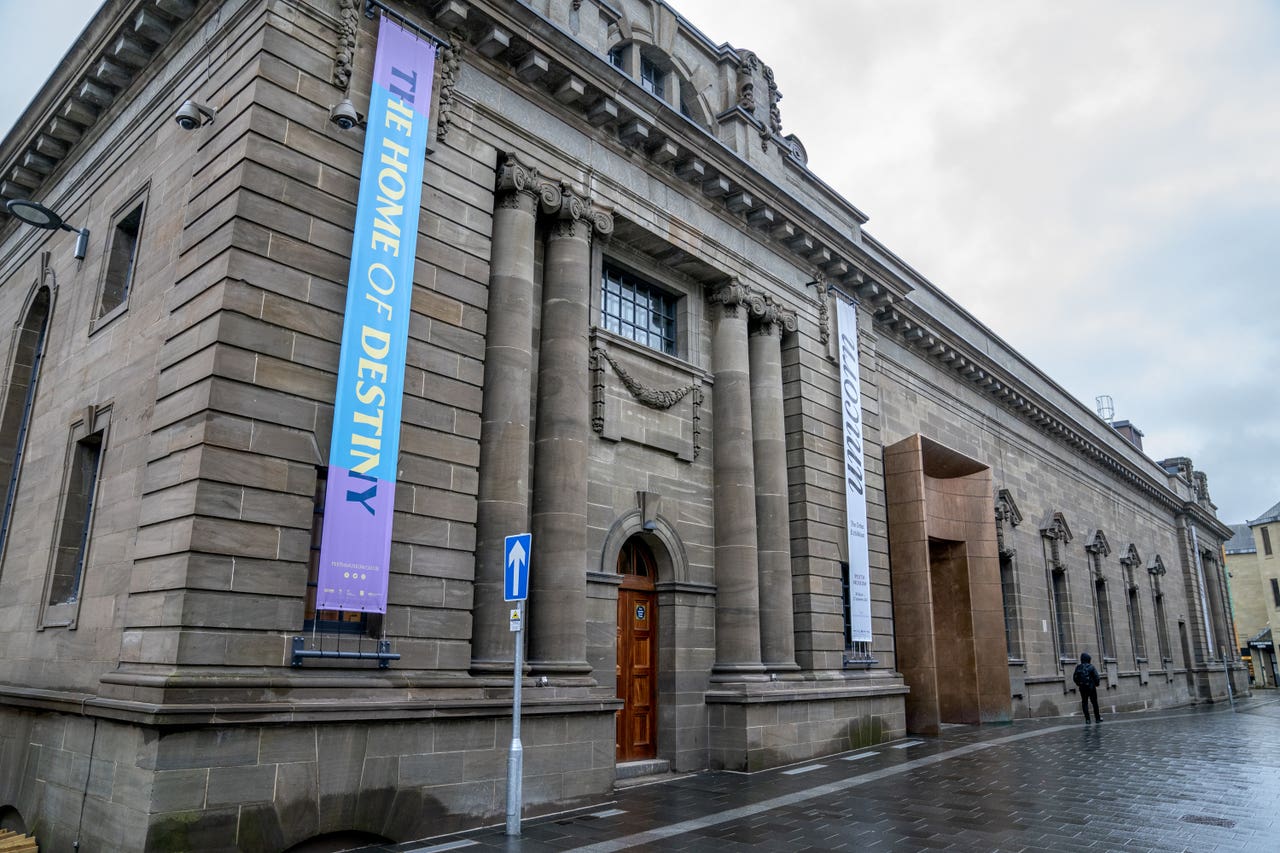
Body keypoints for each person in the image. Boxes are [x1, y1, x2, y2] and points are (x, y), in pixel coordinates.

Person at [1073, 652, 1102, 723]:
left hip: (1082, 688)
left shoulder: (1078, 667)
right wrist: (1097, 684)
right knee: (1094, 702)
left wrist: (1079, 684)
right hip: (1091, 687)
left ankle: (1087, 719)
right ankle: (1097, 718)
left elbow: (1074, 677)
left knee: (1084, 703)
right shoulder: (1091, 667)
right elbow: (1096, 677)